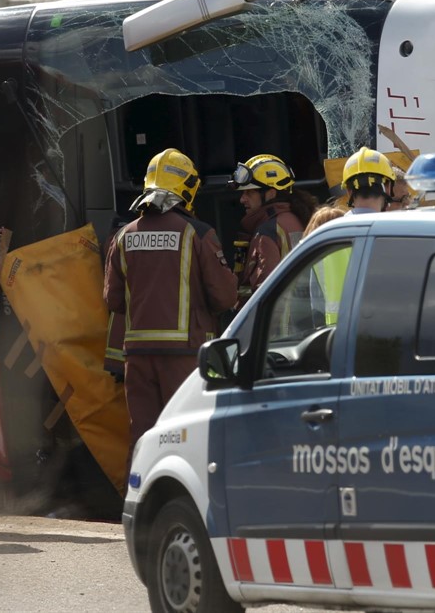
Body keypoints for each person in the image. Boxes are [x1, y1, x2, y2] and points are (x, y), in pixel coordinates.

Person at [103, 149, 237, 465]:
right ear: (187, 188)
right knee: (185, 437)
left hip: (137, 357)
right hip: (185, 356)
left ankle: (138, 494)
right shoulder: (198, 233)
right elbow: (224, 298)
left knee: (143, 438)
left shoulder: (123, 236)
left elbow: (113, 301)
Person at [229, 154, 316, 307]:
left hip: (281, 320)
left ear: (270, 193)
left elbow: (264, 294)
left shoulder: (267, 232)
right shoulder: (301, 219)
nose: (242, 199)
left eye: (249, 192)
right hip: (305, 316)